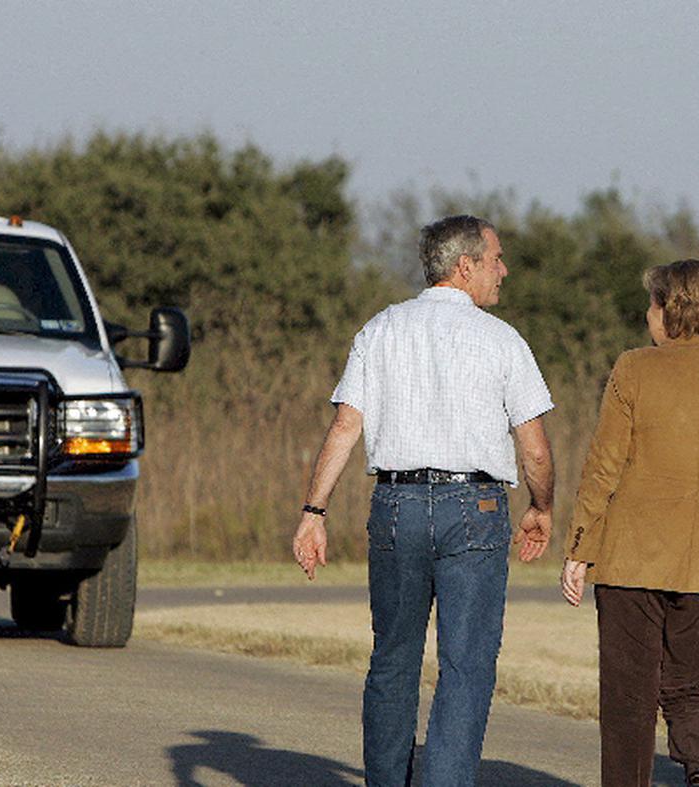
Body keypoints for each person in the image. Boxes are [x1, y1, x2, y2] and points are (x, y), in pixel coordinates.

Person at [291, 214, 556, 787]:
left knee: (393, 659)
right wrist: (542, 506)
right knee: (465, 666)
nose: (503, 271)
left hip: (395, 507)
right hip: (475, 510)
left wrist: (314, 512)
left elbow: (344, 428)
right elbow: (533, 449)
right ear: (465, 267)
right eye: (496, 259)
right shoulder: (501, 339)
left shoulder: (380, 329)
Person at [559, 259, 699, 787]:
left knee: (628, 699)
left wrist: (579, 546)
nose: (647, 314)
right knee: (691, 689)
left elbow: (604, 465)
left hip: (632, 559)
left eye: (652, 304)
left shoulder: (634, 368)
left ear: (670, 310)